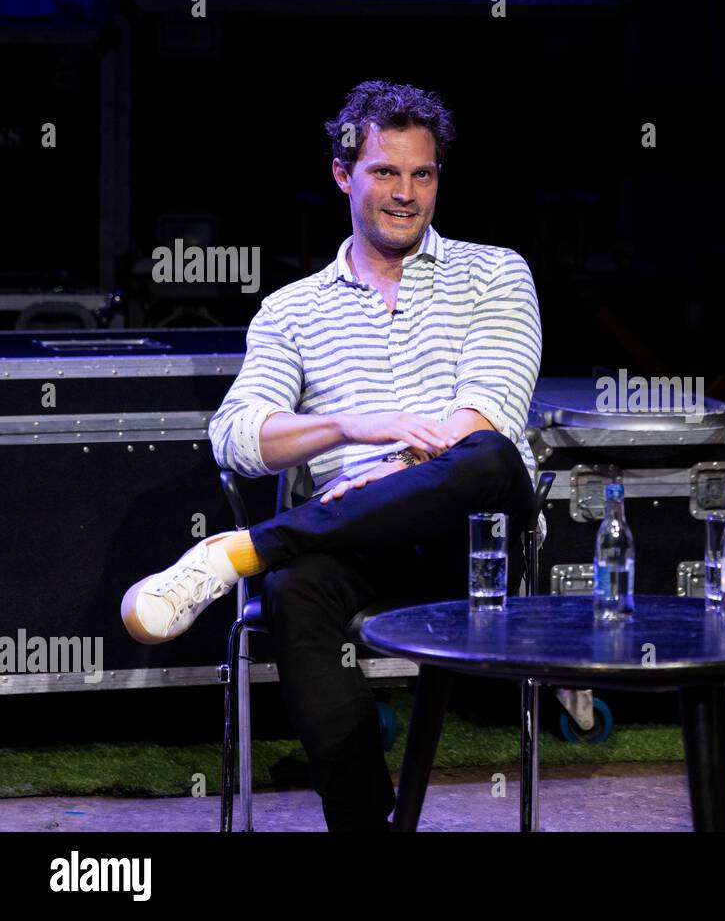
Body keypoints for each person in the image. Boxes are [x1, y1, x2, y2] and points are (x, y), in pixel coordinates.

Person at [121, 80, 542, 831]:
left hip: (473, 539)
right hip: (350, 538)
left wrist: (394, 472)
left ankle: (240, 552)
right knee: (293, 593)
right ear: (344, 175)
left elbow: (485, 417)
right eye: (386, 172)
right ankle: (361, 827)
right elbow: (239, 436)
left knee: (489, 459)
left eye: (423, 174)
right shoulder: (292, 310)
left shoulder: (496, 273)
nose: (407, 194)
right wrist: (355, 425)